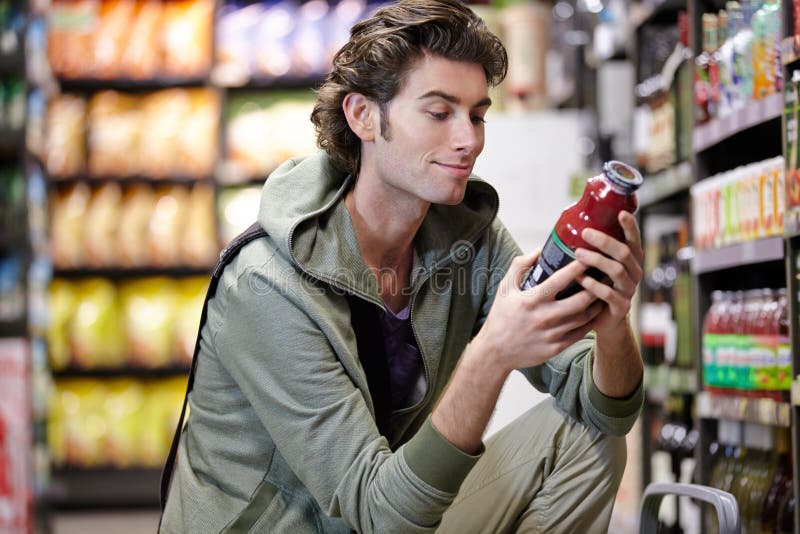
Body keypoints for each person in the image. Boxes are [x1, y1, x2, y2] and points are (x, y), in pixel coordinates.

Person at [159, 1, 644, 532]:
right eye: (439, 113)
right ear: (363, 116)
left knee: (585, 439)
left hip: (390, 511)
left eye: (477, 114)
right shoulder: (266, 284)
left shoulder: (466, 238)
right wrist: (491, 356)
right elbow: (380, 514)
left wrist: (613, 321)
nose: (469, 140)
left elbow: (608, 410)